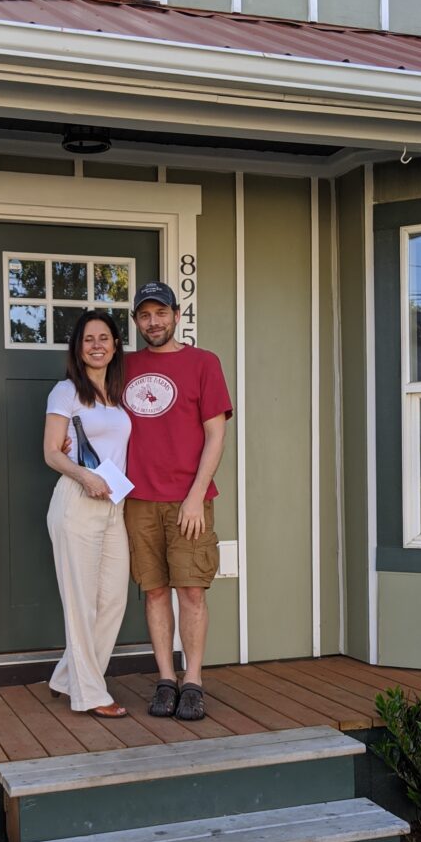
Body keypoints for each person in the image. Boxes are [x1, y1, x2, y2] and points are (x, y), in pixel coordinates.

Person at [122, 281, 233, 721]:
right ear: (136, 322)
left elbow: (215, 434)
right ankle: (165, 679)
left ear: (176, 315)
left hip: (189, 500)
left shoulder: (203, 363)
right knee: (153, 592)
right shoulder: (123, 367)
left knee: (191, 591)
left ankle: (193, 681)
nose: (154, 322)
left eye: (161, 313)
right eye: (145, 315)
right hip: (139, 501)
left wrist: (193, 497)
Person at [43, 309, 131, 718]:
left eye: (104, 338)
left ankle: (67, 677)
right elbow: (50, 452)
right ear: (78, 349)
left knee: (112, 600)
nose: (97, 345)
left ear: (115, 345)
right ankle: (92, 694)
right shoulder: (66, 392)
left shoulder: (118, 394)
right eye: (88, 339)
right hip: (77, 501)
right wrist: (83, 476)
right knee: (82, 603)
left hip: (115, 505)